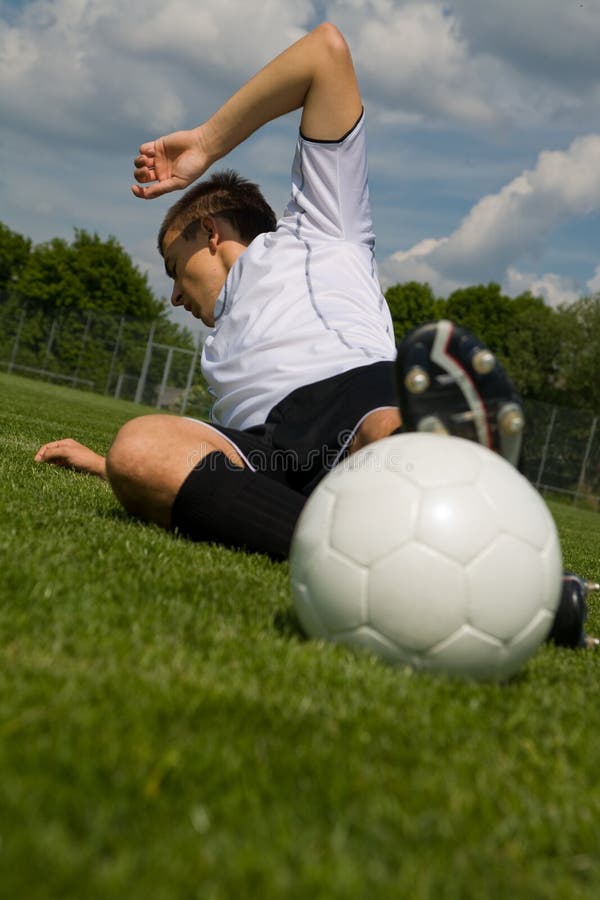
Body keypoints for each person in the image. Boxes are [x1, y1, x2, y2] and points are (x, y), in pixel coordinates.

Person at [35, 23, 596, 647]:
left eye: (173, 267)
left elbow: (325, 53)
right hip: (269, 450)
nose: (172, 295)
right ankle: (418, 556)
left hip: (352, 395)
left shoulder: (322, 228)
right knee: (140, 445)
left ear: (209, 230)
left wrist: (202, 146)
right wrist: (112, 468)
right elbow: (191, 467)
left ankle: (449, 468)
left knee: (379, 434)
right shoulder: (218, 348)